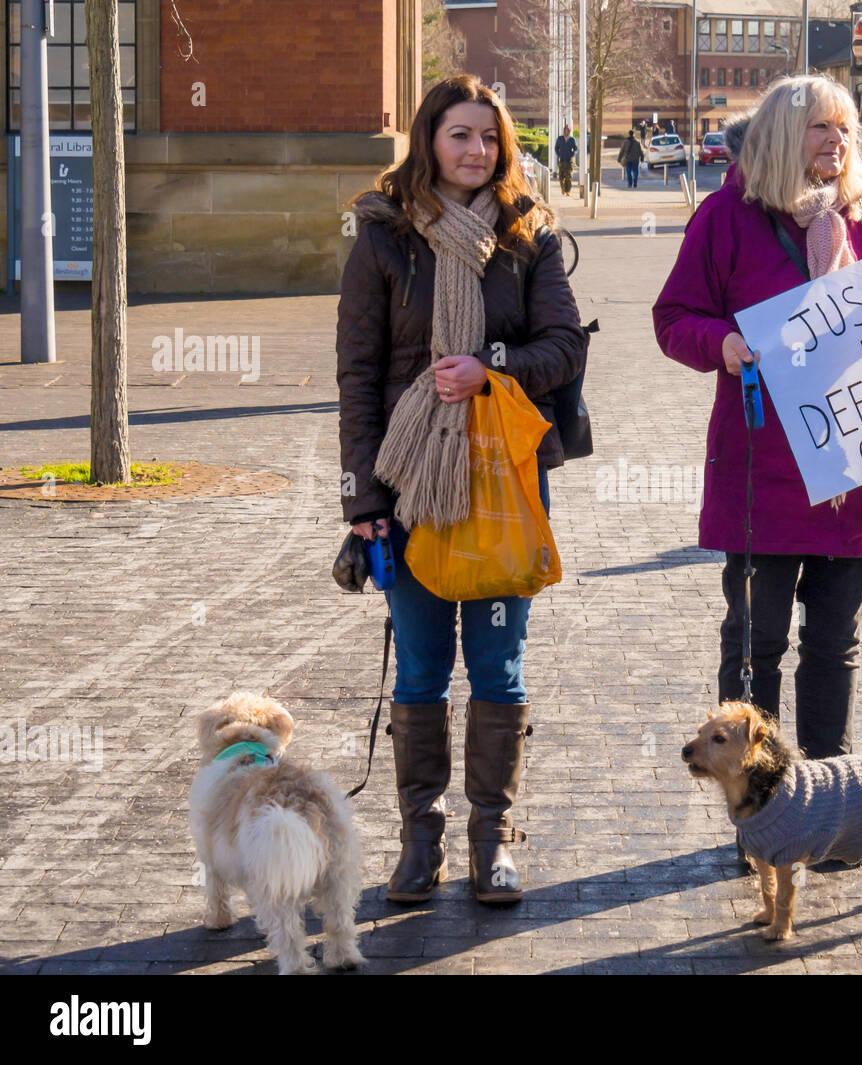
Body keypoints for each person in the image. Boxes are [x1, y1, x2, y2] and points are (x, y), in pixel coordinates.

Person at [653, 76, 862, 765]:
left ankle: (831, 794)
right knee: (756, 645)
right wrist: (720, 342)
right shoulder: (727, 218)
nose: (837, 142)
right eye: (820, 128)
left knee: (835, 642)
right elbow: (673, 317)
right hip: (765, 471)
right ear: (783, 135)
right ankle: (762, 798)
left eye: (844, 129)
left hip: (854, 466)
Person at [337, 75, 586, 905]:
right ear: (427, 140)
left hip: (502, 483)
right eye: (459, 135)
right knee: (419, 667)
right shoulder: (382, 237)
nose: (477, 150)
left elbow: (563, 349)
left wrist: (493, 366)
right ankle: (420, 843)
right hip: (409, 487)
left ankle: (493, 839)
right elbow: (358, 377)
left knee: (497, 663)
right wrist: (363, 504)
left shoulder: (529, 235)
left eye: (489, 137)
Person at [554, 124, 579, 195]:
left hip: (569, 161)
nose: (566, 132)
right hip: (561, 160)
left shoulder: (572, 139)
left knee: (568, 177)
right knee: (561, 177)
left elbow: (576, 149)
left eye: (568, 130)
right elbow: (556, 148)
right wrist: (558, 154)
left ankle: (568, 191)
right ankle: (563, 189)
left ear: (569, 131)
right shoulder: (560, 139)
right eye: (565, 130)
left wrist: (572, 154)